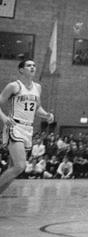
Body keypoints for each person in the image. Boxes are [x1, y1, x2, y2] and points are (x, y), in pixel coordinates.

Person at [0, 59, 55, 195]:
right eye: (29, 65)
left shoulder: (38, 87)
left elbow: (36, 108)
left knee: (13, 169)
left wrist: (46, 115)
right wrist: (3, 117)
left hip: (28, 129)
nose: (32, 67)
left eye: (34, 65)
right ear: (21, 70)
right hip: (15, 126)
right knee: (20, 166)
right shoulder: (14, 86)